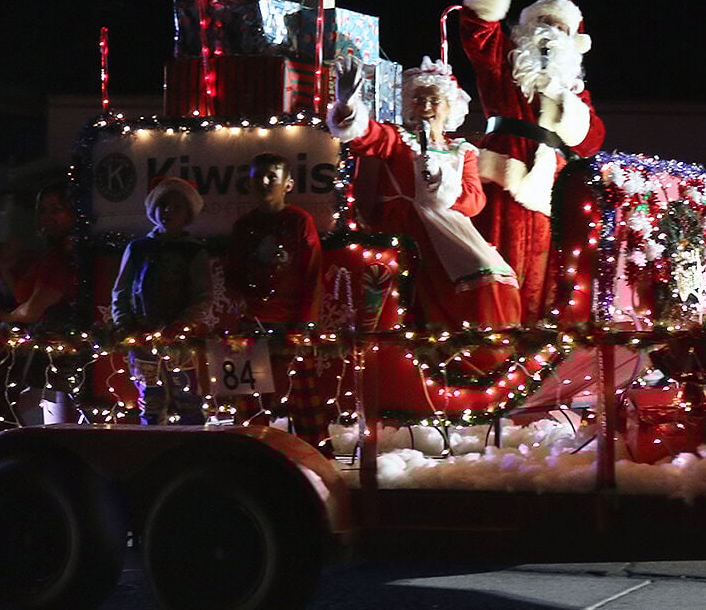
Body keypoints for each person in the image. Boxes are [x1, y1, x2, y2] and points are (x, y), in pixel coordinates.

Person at [459, 0, 605, 323]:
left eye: (559, 28)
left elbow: (591, 140)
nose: (549, 33)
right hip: (499, 176)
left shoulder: (573, 90)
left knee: (545, 272)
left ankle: (536, 347)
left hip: (548, 189)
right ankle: (491, 339)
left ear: (573, 40)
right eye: (542, 23)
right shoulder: (503, 62)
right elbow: (478, 32)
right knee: (495, 266)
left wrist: (564, 104)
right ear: (524, 29)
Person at [327, 54, 521, 332]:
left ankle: (482, 347)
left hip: (452, 226)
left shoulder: (462, 151)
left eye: (434, 100)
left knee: (491, 272)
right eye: (418, 99)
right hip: (408, 225)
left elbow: (475, 200)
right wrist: (347, 105)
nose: (426, 106)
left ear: (448, 106)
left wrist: (442, 182)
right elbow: (366, 135)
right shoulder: (398, 139)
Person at [225, 153, 326, 447]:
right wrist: (237, 303)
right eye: (258, 177)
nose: (265, 182)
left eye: (272, 176)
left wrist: (307, 320)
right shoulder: (243, 225)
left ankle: (317, 452)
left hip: (292, 322)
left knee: (303, 395)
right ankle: (251, 450)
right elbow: (232, 271)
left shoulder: (299, 221)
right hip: (251, 321)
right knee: (248, 398)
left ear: (288, 184)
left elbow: (312, 271)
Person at [0, 182, 80, 440]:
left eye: (57, 210)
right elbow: (26, 299)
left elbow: (33, 310)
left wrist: (0, 319)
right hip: (40, 338)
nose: (48, 217)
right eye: (44, 210)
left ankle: (6, 443)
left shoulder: (65, 255)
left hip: (53, 343)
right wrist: (7, 268)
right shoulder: (47, 254)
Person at [112, 176, 211, 425]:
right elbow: (121, 289)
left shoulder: (193, 251)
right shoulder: (138, 248)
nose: (169, 210)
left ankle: (193, 449)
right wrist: (124, 323)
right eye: (164, 204)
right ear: (153, 208)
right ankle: (154, 446)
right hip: (142, 336)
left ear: (188, 214)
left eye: (177, 206)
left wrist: (182, 325)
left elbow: (203, 296)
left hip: (180, 340)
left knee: (188, 397)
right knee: (151, 398)